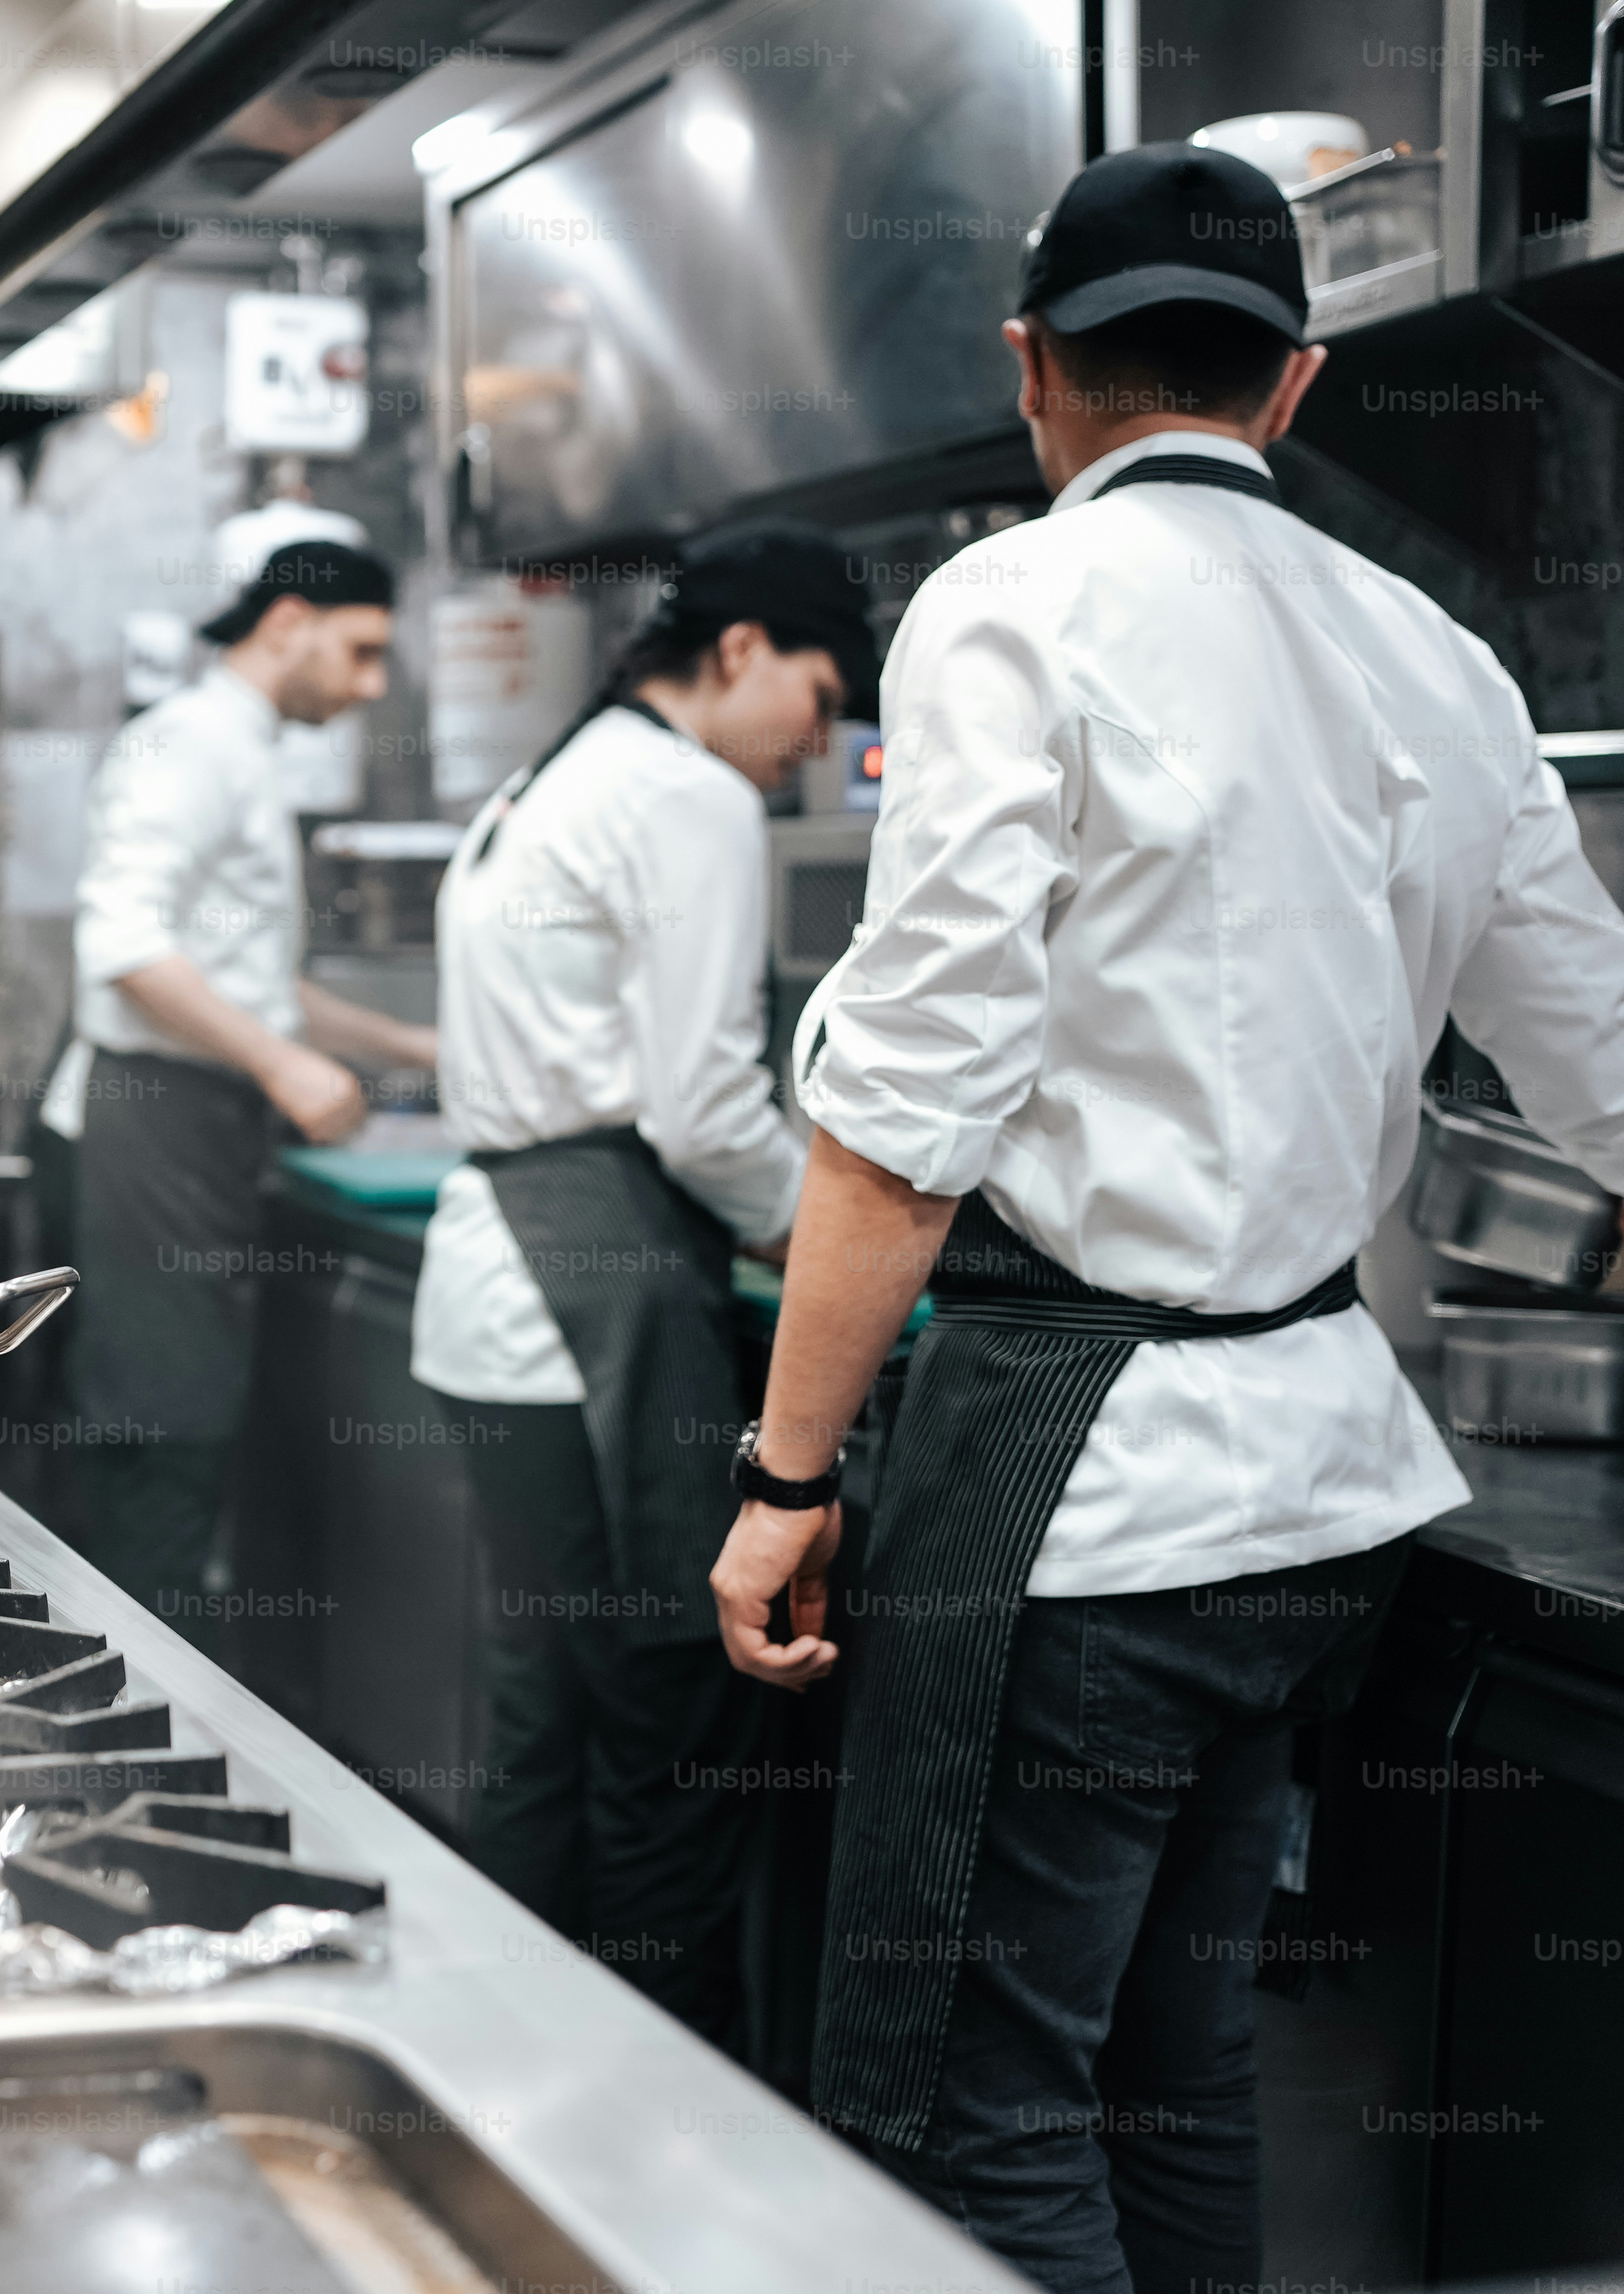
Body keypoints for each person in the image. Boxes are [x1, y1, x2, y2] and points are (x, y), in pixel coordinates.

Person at [707, 144, 1624, 2294]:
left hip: (1087, 1516)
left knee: (972, 2110)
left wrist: (781, 1473)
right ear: (1290, 385)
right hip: (1321, 1506)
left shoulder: (1009, 610)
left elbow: (903, 1119)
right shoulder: (1431, 653)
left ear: (1028, 368)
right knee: (1171, 2074)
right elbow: (1595, 1061)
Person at [410, 522, 876, 2044]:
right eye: (814, 698)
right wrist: (839, 1234)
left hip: (494, 1304)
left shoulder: (556, 768)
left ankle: (505, 2078)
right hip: (586, 1301)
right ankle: (666, 2129)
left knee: (541, 1719)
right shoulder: (684, 794)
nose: (813, 743)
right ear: (737, 651)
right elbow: (700, 1108)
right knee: (667, 1733)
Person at [53, 540, 442, 1631]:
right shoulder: (186, 742)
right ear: (286, 622)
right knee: (159, 1432)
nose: (370, 685)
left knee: (184, 1424)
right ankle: (131, 1724)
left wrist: (406, 1043)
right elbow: (124, 942)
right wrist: (278, 1062)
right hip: (153, 1123)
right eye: (360, 650)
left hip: (194, 1126)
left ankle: (163, 1697)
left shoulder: (238, 748)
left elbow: (252, 983)